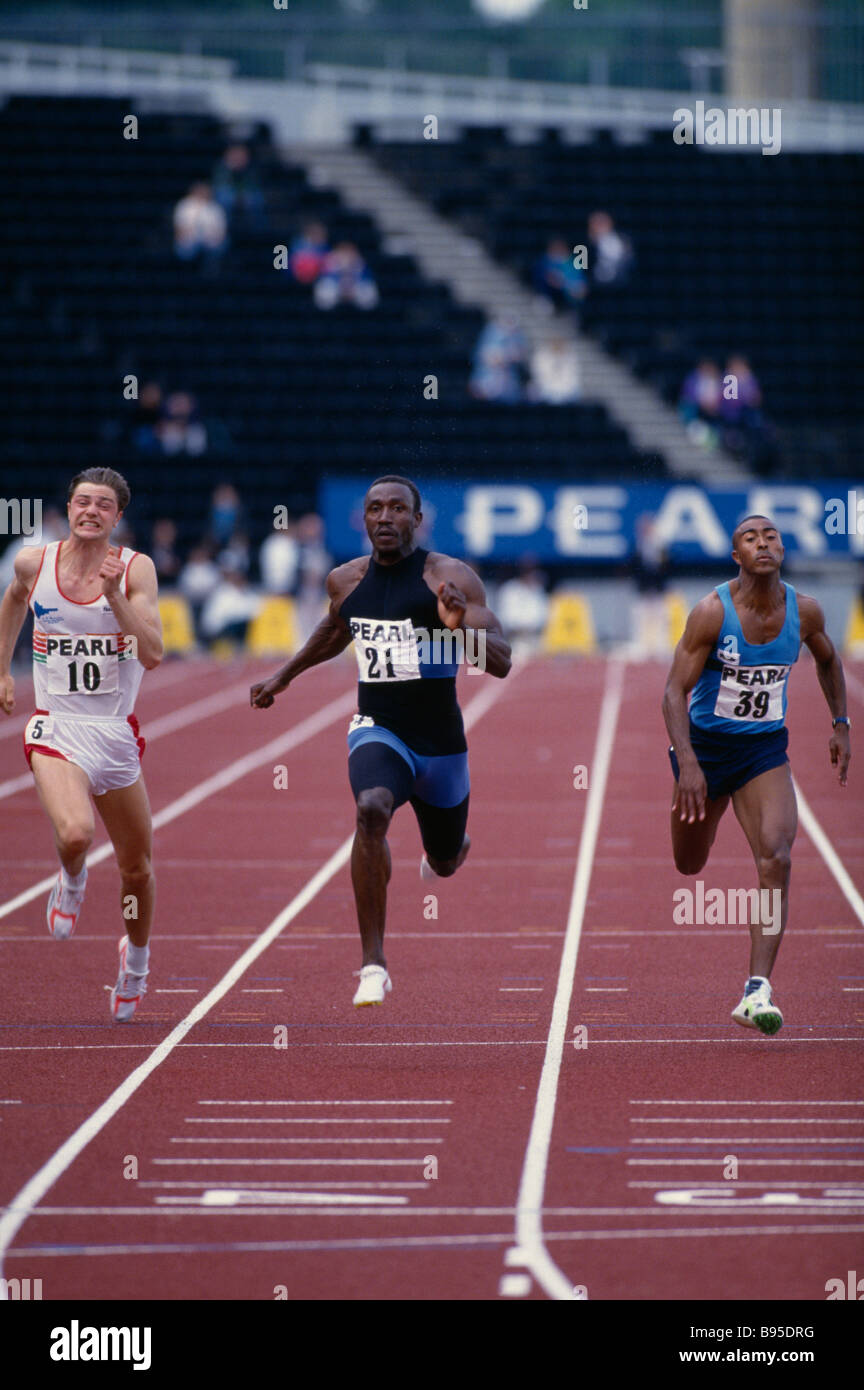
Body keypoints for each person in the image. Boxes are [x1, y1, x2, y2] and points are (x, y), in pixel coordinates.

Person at [251, 475, 512, 1006]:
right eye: (375, 509)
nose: (386, 517)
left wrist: (460, 624)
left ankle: (448, 849)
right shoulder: (345, 581)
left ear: (418, 520)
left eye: (398, 509)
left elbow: (501, 663)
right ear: (363, 520)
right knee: (371, 809)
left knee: (443, 860)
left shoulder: (449, 577)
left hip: (441, 747)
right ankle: (373, 963)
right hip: (379, 730)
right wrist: (284, 675)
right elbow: (334, 630)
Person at [662, 515, 851, 1035]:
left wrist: (841, 723)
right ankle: (700, 793)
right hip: (703, 749)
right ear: (736, 556)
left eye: (770, 536)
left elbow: (829, 661)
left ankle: (756, 990)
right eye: (750, 538)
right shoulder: (710, 612)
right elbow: (673, 692)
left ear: (783, 550)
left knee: (778, 856)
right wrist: (690, 767)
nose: (762, 543)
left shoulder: (805, 611)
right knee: (688, 864)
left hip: (763, 750)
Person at [0, 468, 163, 1021]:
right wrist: (2, 668)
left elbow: (154, 653)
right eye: (82, 502)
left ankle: (135, 964)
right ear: (68, 508)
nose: (91, 511)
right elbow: (15, 596)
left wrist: (115, 597)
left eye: (103, 505)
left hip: (115, 735)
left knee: (137, 868)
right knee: (74, 833)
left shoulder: (136, 568)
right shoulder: (35, 563)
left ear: (117, 517)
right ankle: (71, 879)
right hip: (57, 725)